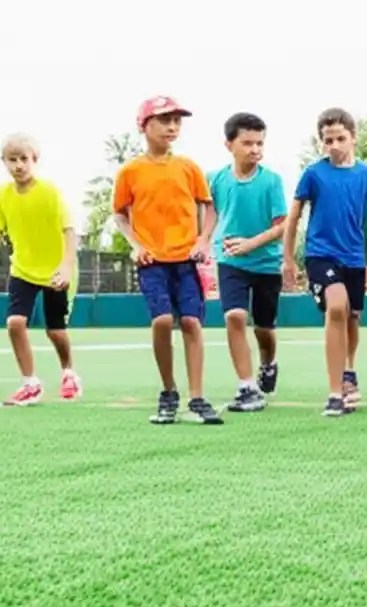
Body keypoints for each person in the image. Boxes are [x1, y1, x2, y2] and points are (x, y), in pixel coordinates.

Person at [113, 96, 222, 425]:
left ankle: (198, 397)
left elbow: (209, 207)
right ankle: (168, 390)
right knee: (161, 321)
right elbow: (119, 214)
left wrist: (203, 240)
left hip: (186, 259)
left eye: (177, 120)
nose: (172, 126)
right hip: (152, 262)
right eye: (164, 120)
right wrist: (135, 244)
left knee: (191, 322)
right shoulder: (131, 171)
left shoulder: (188, 168)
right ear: (144, 126)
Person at [283, 107, 367, 417]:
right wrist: (288, 259)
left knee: (352, 316)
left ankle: (349, 370)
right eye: (327, 139)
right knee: (336, 306)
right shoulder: (313, 174)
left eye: (340, 138)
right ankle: (334, 392)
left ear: (353, 138)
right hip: (321, 254)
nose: (333, 145)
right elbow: (294, 216)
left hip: (354, 258)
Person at [0, 133, 82, 406]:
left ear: (35, 160)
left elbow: (70, 232)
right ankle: (30, 383)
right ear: (4, 163)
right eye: (12, 160)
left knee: (55, 331)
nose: (19, 165)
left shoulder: (50, 192)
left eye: (24, 159)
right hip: (22, 270)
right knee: (15, 323)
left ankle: (69, 372)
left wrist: (65, 267)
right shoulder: (1, 196)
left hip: (55, 271)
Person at [208, 112, 287, 413]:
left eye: (260, 143)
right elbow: (207, 214)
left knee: (264, 328)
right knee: (235, 317)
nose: (255, 149)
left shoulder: (271, 181)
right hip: (230, 260)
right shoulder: (214, 179)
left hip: (266, 263)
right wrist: (204, 243)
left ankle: (268, 363)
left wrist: (250, 244)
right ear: (229, 145)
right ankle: (246, 388)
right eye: (248, 143)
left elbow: (282, 225)